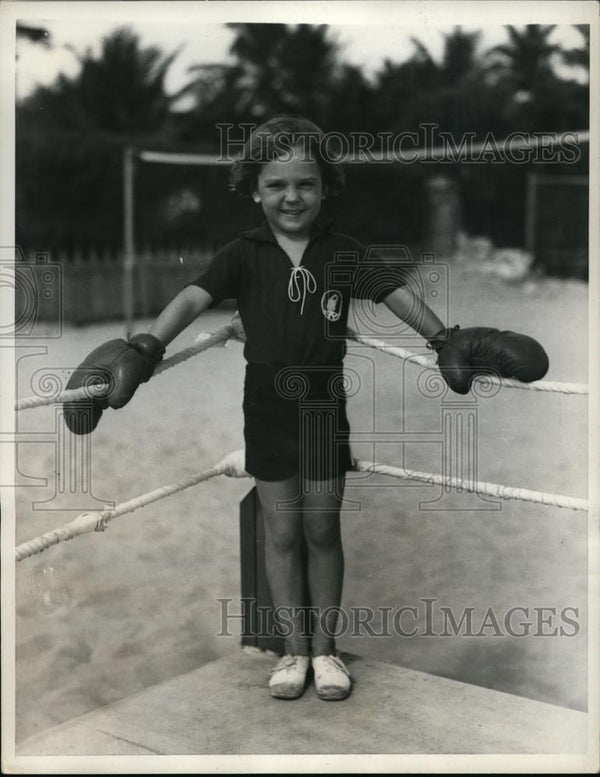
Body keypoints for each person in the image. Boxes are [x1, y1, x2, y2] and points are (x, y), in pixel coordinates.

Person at [63, 115, 549, 702]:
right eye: (277, 185)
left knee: (322, 527)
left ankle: (326, 652)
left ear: (325, 187)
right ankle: (294, 651)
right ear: (253, 188)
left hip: (323, 405)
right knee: (282, 531)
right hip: (266, 406)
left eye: (306, 184)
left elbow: (395, 292)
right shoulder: (242, 254)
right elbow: (193, 296)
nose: (292, 197)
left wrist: (445, 340)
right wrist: (146, 347)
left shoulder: (342, 251)